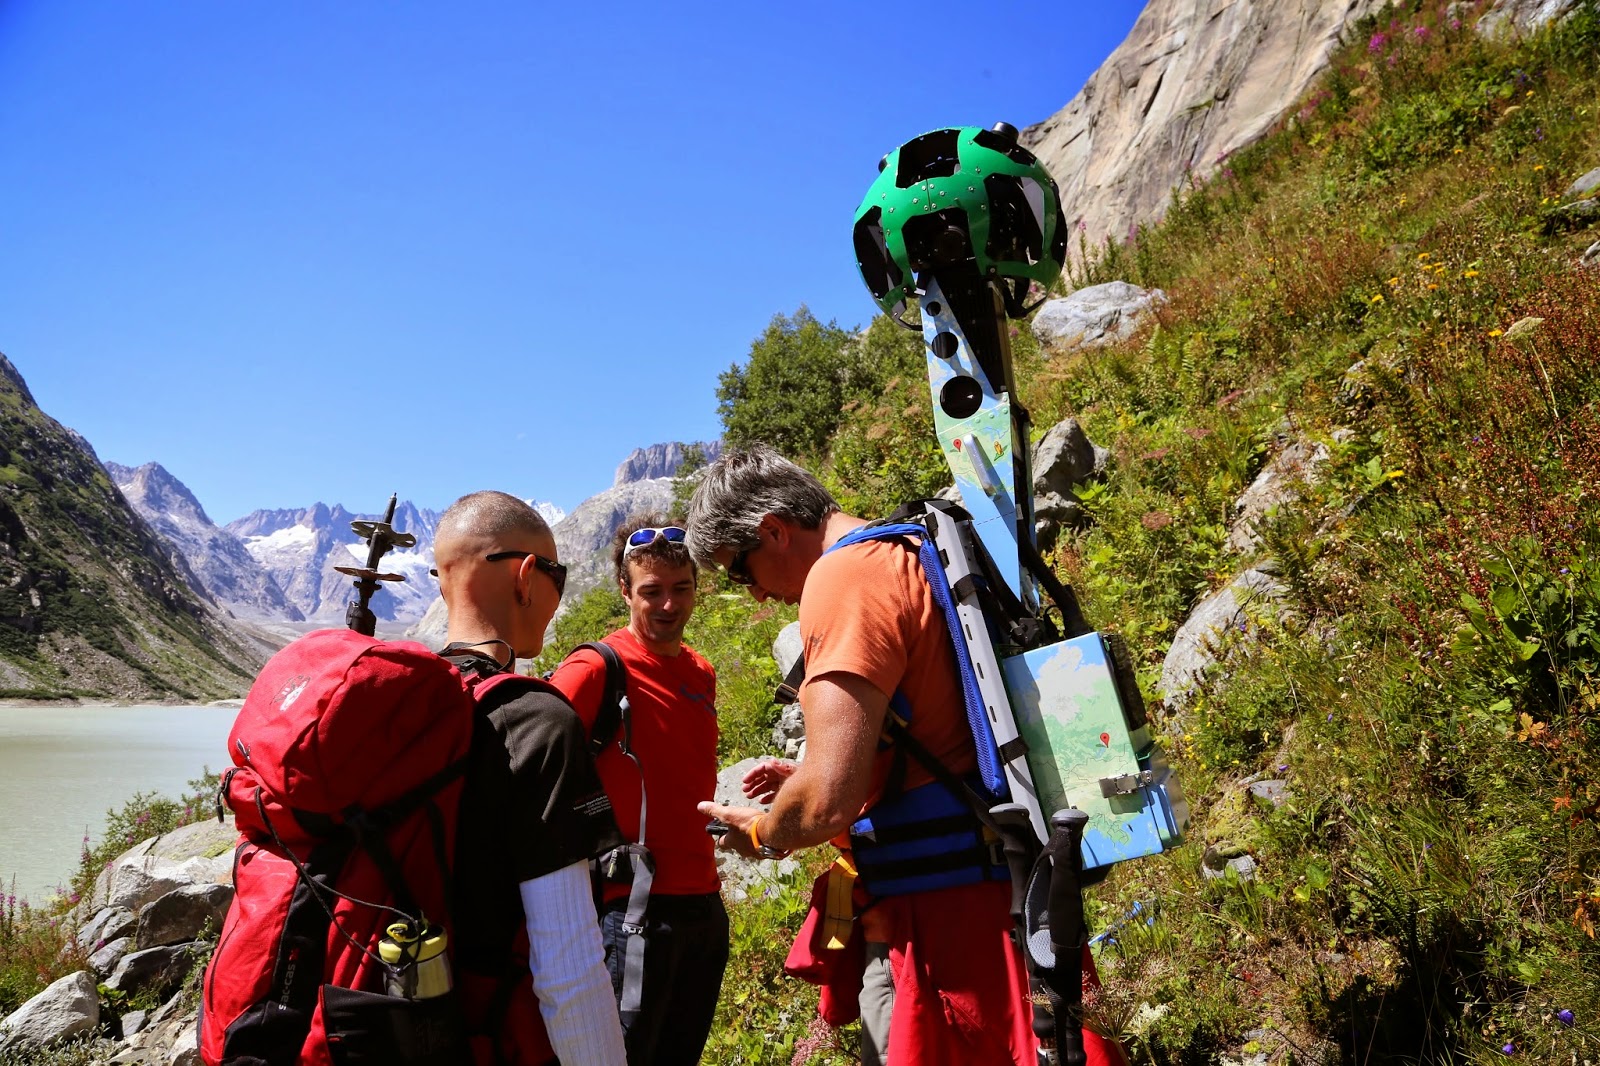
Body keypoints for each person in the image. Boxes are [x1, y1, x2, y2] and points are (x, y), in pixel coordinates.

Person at [685, 446, 1126, 1066]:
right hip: (1011, 883)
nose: (756, 595)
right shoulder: (907, 548)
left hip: (944, 922)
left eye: (740, 571)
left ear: (773, 530)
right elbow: (934, 724)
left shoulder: (841, 581)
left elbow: (825, 801)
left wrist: (762, 831)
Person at [432, 490, 629, 1066]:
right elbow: (568, 967)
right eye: (556, 576)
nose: (557, 597)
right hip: (486, 1034)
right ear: (525, 577)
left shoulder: (403, 707)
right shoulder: (535, 718)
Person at [548, 515, 726, 1066]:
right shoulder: (595, 668)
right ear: (625, 590)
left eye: (681, 589)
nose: (669, 605)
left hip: (703, 905)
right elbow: (532, 766)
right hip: (631, 912)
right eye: (651, 592)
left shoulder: (701, 671)